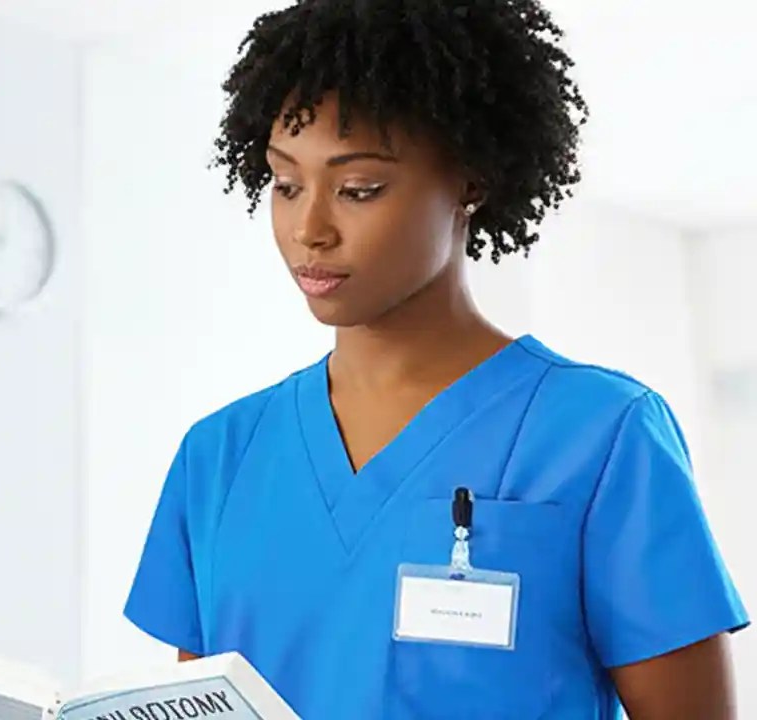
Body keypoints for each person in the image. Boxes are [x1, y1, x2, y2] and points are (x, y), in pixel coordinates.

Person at [122, 1, 748, 718]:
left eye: (359, 189)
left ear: (472, 179)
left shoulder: (602, 435)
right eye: (286, 184)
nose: (309, 229)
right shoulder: (219, 457)